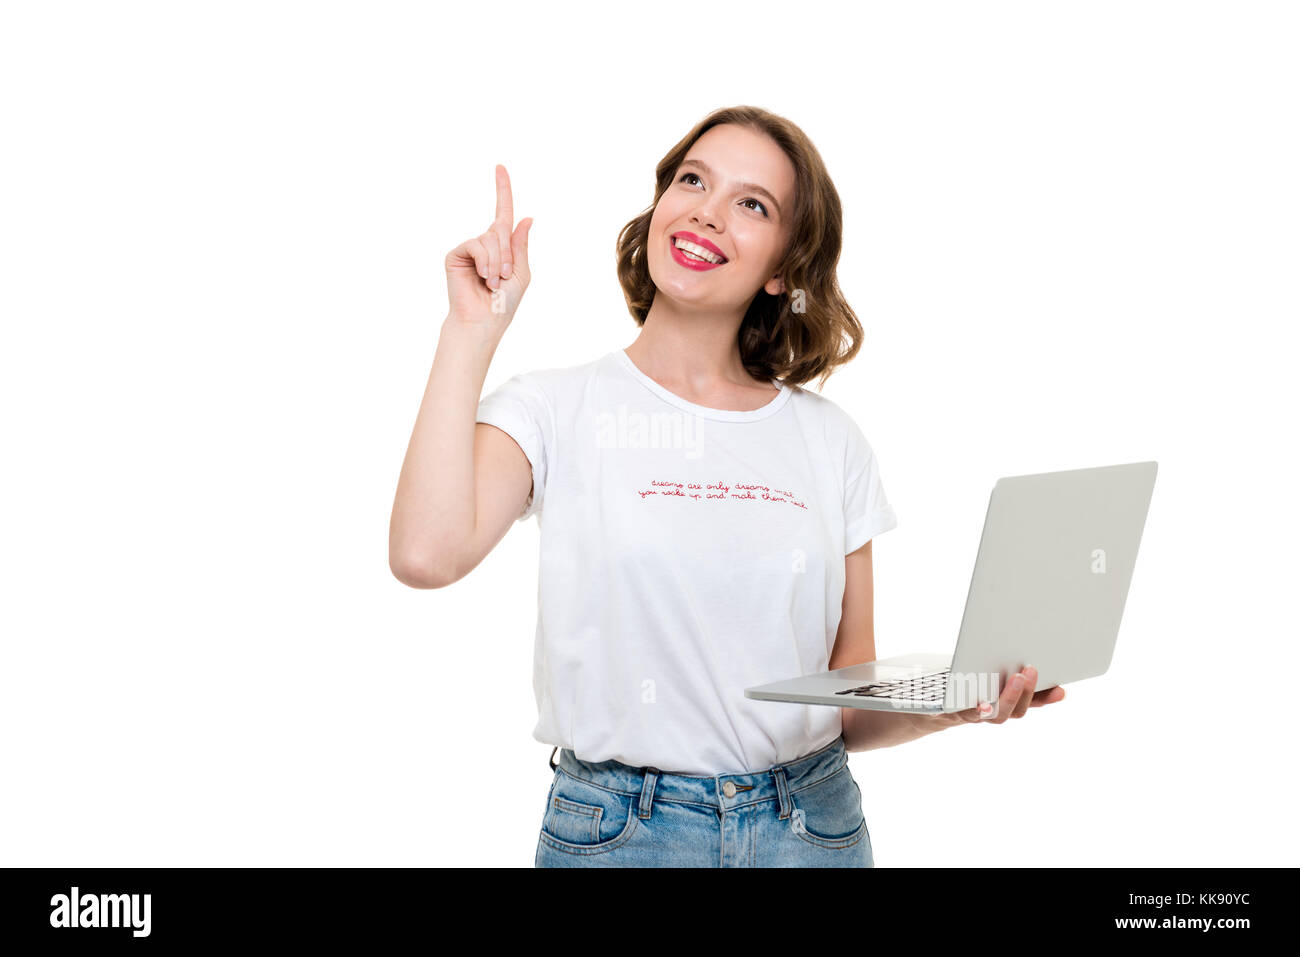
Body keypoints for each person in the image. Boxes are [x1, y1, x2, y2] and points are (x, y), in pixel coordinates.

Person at [389, 105, 1065, 868]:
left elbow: (848, 702)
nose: (707, 211)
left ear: (783, 267)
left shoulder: (829, 440)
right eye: (692, 181)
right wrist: (470, 330)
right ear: (659, 210)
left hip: (812, 828)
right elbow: (425, 554)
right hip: (618, 836)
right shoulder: (553, 407)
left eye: (752, 203)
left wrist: (953, 702)